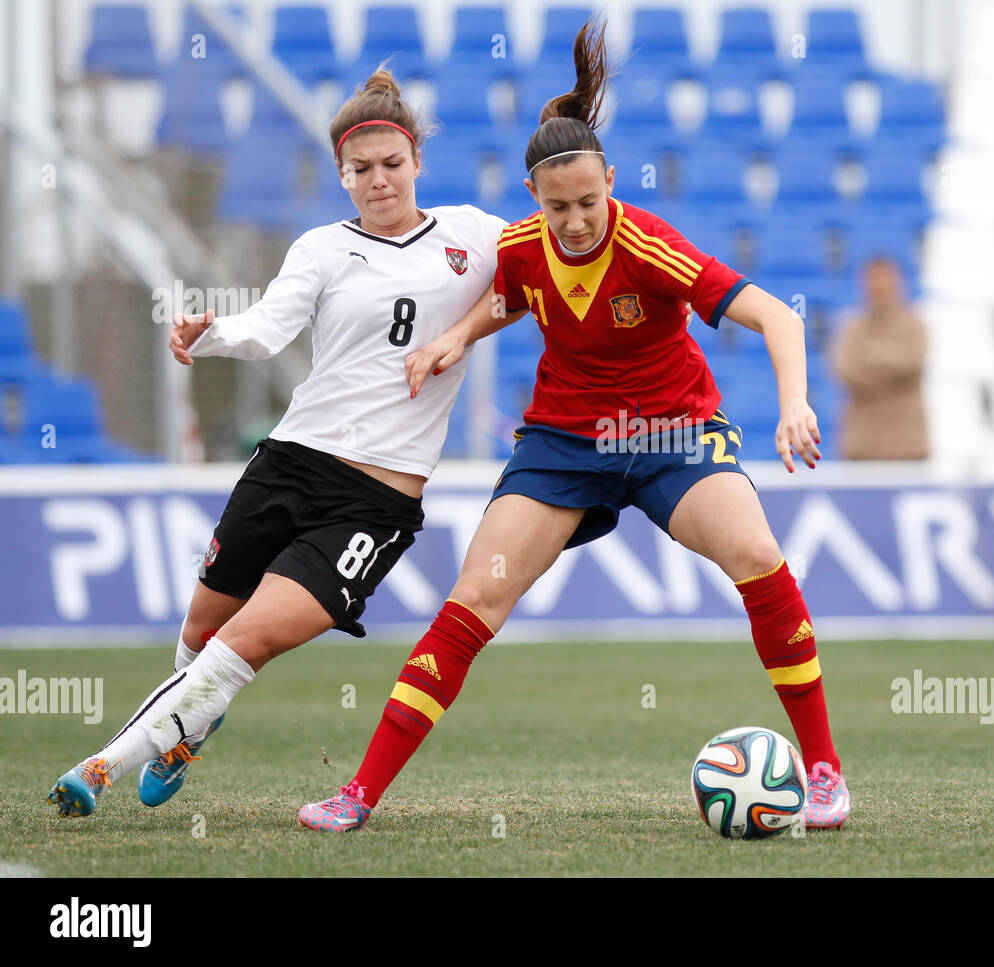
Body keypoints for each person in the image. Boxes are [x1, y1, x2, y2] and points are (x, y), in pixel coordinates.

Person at [298, 19, 850, 833]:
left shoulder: (651, 246)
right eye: (559, 207)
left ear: (611, 183)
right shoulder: (521, 247)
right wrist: (457, 335)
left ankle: (827, 772)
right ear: (534, 199)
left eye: (590, 202)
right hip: (562, 445)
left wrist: (795, 401)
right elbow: (505, 296)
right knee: (476, 595)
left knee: (759, 555)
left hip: (672, 435)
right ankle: (360, 793)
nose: (578, 221)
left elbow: (775, 316)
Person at [46, 69, 508, 817]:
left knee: (243, 646)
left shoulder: (473, 234)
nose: (378, 180)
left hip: (374, 502)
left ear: (417, 158)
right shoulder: (324, 247)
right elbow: (266, 329)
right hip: (289, 463)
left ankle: (101, 765)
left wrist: (460, 335)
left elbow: (533, 281)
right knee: (202, 630)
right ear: (341, 174)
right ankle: (189, 733)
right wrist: (212, 332)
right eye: (361, 170)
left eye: (392, 164)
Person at [831, 254, 928, 459]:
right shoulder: (850, 326)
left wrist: (870, 359)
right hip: (862, 445)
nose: (879, 285)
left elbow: (912, 362)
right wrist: (893, 363)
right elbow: (845, 370)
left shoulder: (914, 325)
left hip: (909, 445)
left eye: (885, 278)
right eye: (873, 278)